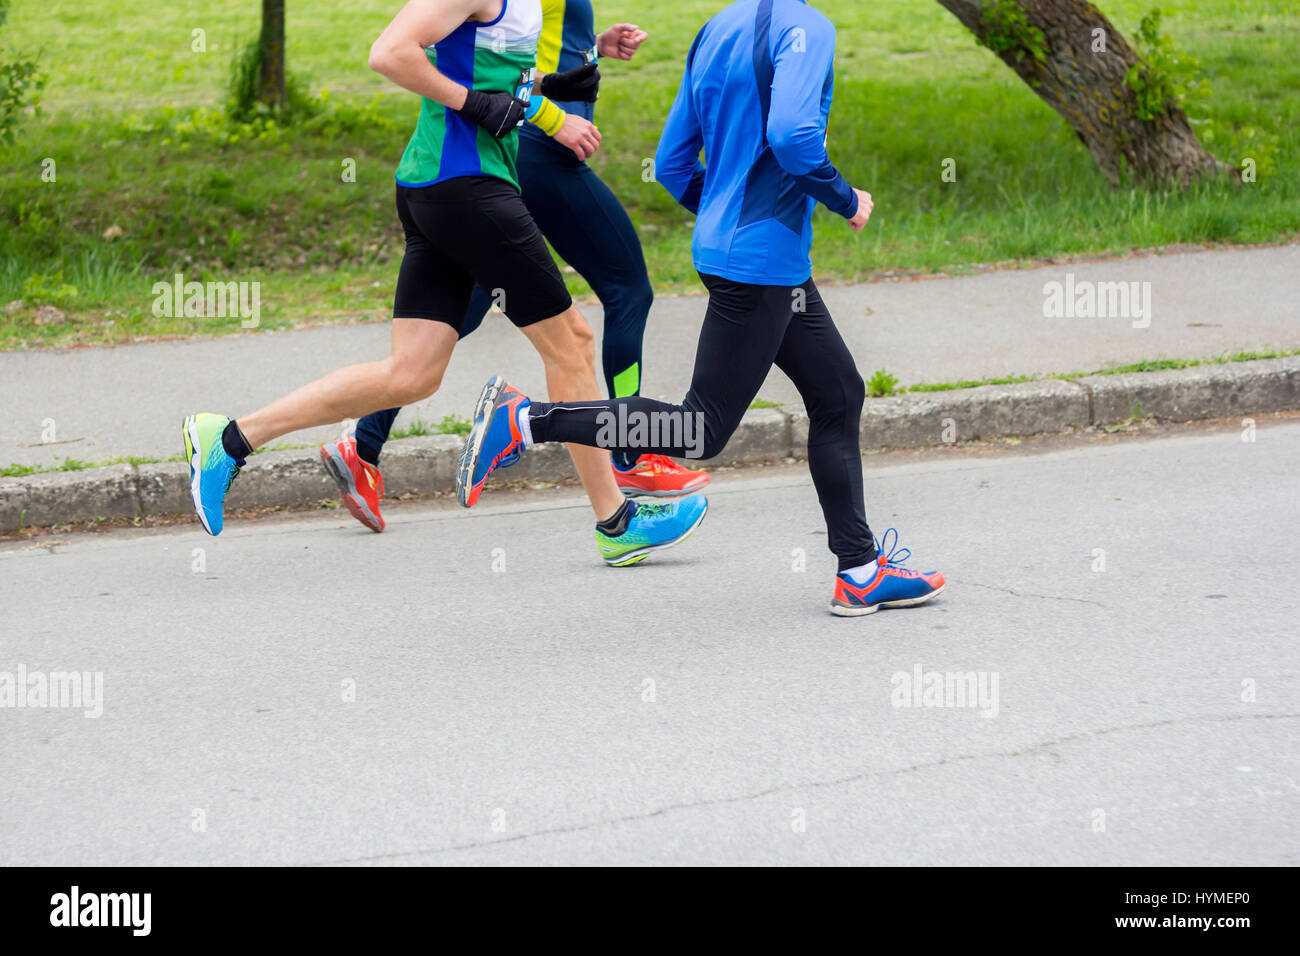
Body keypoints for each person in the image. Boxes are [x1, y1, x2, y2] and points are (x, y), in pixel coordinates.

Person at [454, 0, 944, 614]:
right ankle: (525, 420)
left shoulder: (719, 28)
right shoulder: (808, 28)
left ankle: (860, 568)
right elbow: (793, 137)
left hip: (751, 257)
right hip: (759, 263)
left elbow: (671, 164)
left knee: (839, 393)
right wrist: (845, 200)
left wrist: (720, 217)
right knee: (698, 429)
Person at [181, 0, 707, 568]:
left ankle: (229, 439)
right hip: (466, 187)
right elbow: (389, 54)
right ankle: (617, 521)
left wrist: (561, 80)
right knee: (573, 344)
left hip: (446, 186)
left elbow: (490, 70)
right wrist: (474, 103)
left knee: (410, 374)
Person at [320, 2, 708, 534]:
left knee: (466, 309)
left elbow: (521, 41)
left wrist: (594, 43)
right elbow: (499, 57)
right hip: (532, 152)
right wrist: (554, 118)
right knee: (625, 290)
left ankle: (360, 444)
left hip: (511, 155)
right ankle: (627, 453)